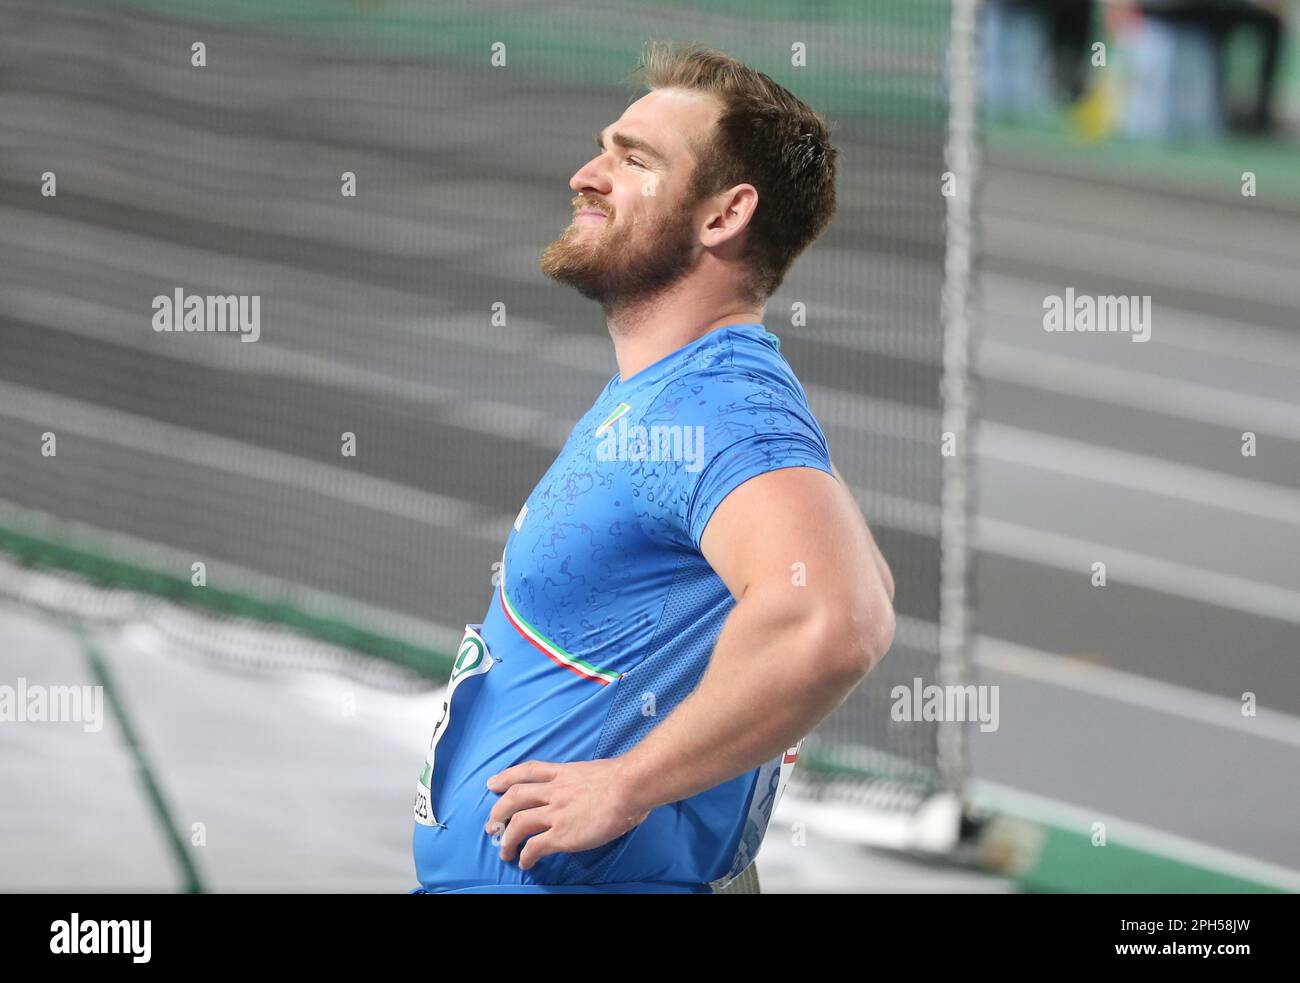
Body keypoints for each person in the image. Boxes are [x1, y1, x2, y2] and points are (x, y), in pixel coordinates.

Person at [410, 41, 896, 894]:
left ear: (723, 216)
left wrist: (628, 783)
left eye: (634, 161)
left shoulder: (716, 406)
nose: (586, 175)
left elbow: (842, 613)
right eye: (605, 147)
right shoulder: (677, 389)